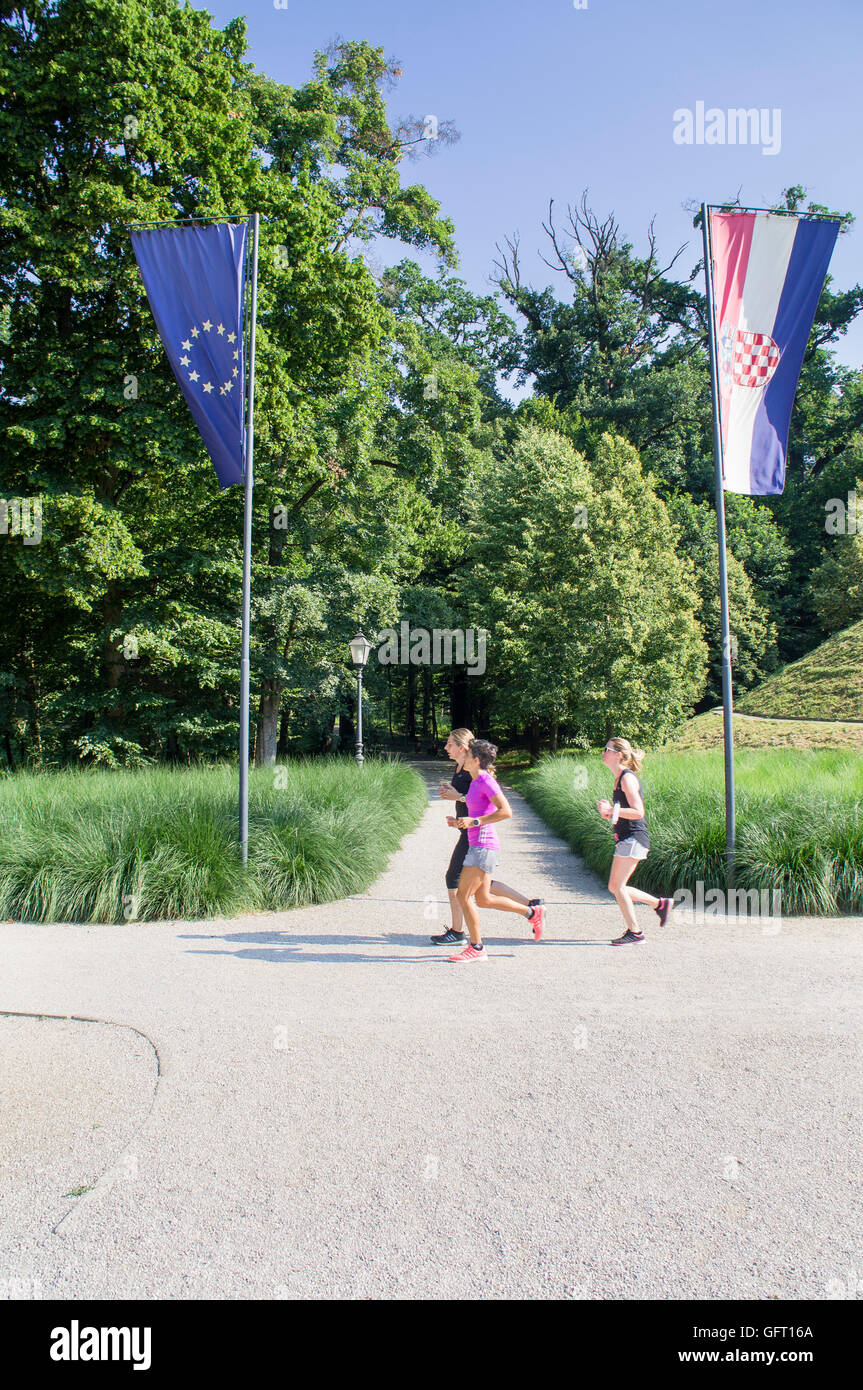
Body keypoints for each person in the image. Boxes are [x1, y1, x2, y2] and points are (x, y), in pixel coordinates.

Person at [431, 728, 542, 947]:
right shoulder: (473, 779)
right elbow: (475, 806)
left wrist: (472, 819)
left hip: (481, 842)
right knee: (483, 896)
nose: (447, 748)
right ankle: (531, 910)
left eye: (450, 744)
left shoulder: (483, 780)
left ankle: (470, 942)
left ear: (472, 756)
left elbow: (504, 810)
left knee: (461, 889)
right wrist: (459, 820)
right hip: (472, 837)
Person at [597, 737, 673, 945]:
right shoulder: (619, 778)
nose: (603, 752)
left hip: (633, 838)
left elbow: (638, 812)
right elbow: (623, 812)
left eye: (607, 749)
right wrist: (610, 813)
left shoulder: (626, 778)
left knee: (618, 887)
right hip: (626, 838)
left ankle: (636, 933)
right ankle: (659, 904)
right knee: (615, 886)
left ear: (619, 754)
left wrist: (612, 810)